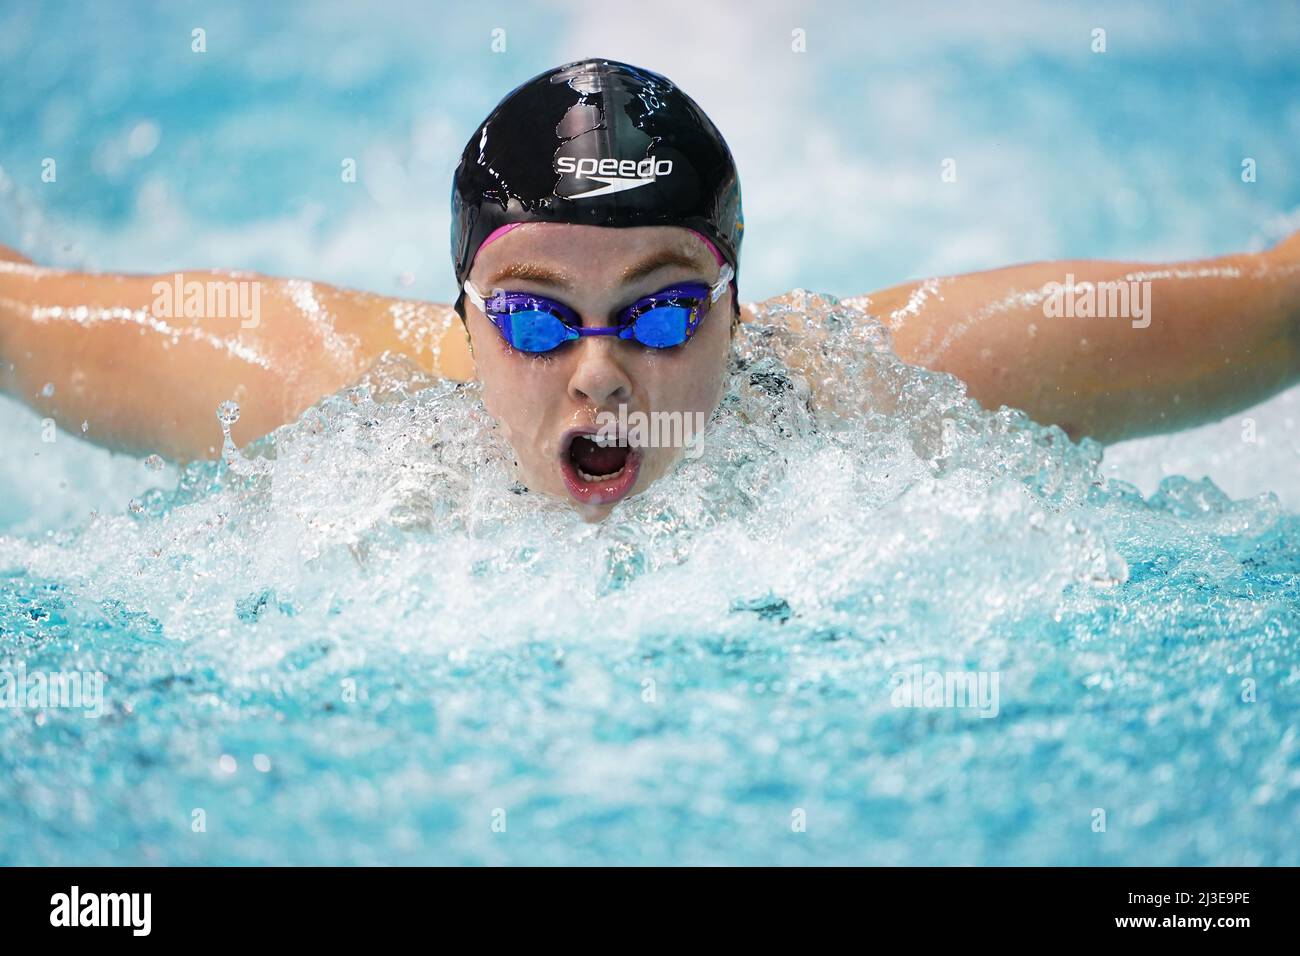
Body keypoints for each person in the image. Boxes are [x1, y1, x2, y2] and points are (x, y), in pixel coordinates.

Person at [1, 58, 1297, 522]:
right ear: (463, 320)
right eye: (532, 315)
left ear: (739, 311)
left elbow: (1273, 299)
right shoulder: (339, 400)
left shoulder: (884, 390)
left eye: (666, 310)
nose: (599, 371)